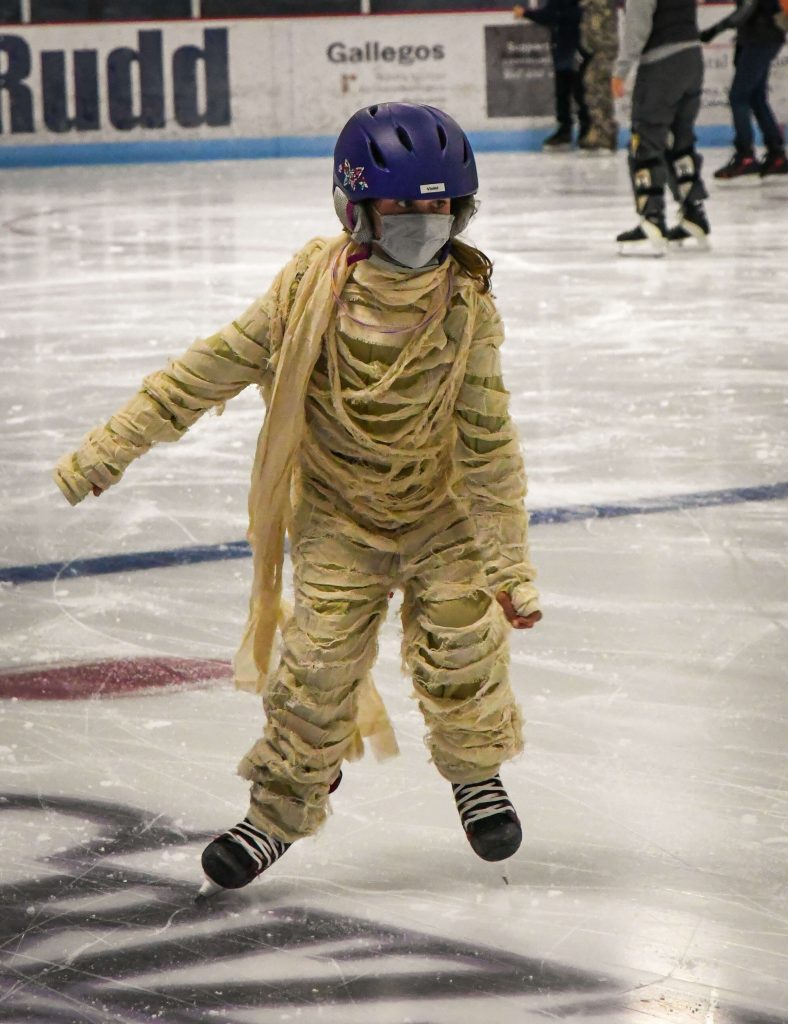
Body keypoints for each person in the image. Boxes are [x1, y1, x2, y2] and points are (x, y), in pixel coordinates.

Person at [53, 102, 543, 894]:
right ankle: (280, 809)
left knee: (463, 639)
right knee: (313, 668)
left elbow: (489, 444)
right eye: (401, 208)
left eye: (437, 207)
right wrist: (109, 450)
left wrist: (510, 564)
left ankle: (476, 771)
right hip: (340, 518)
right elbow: (202, 373)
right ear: (355, 210)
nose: (423, 223)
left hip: (440, 513)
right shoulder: (303, 294)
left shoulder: (466, 308)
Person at [612, 0, 711, 255]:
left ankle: (652, 219)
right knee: (680, 141)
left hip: (661, 63)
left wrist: (621, 70)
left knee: (646, 141)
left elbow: (638, 25)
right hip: (692, 57)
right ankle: (693, 213)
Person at [700, 0, 787, 178]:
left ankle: (745, 156)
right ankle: (776, 154)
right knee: (756, 97)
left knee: (738, 97)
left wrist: (715, 29)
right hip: (764, 36)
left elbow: (748, 8)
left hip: (760, 39)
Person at [514, 0, 591, 149]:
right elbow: (553, 13)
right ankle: (569, 131)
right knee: (565, 92)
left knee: (577, 92)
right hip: (565, 49)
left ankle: (583, 131)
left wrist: (525, 13)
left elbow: (551, 14)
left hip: (573, 49)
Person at [579, 0, 620, 151]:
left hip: (601, 53)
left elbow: (593, 36)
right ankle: (604, 130)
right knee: (601, 90)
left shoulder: (597, 6)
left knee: (595, 88)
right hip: (604, 52)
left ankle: (602, 131)